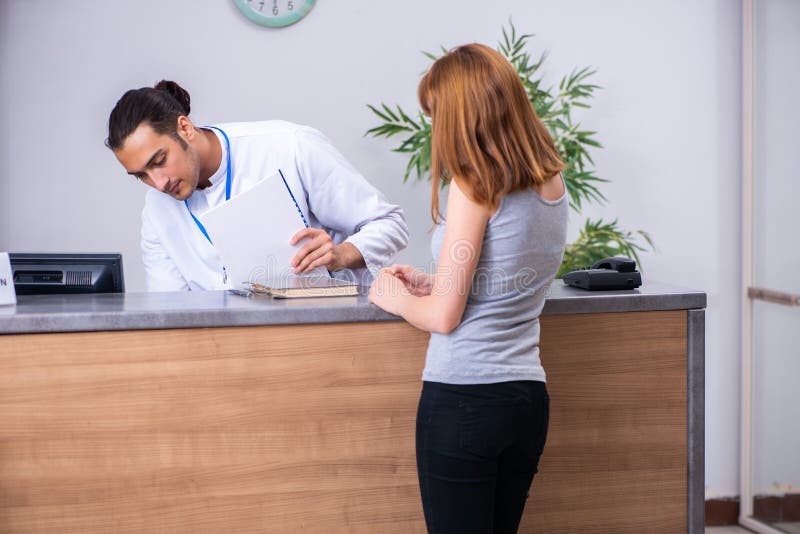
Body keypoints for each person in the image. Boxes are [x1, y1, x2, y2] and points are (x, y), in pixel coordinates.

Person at [368, 43, 568, 533]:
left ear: (462, 114)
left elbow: (443, 318)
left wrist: (395, 297)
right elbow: (507, 280)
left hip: (464, 400)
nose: (435, 127)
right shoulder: (551, 184)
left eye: (438, 114)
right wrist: (434, 281)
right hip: (526, 400)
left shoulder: (475, 183)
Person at [106, 80, 408, 291]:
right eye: (141, 175)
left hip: (328, 335)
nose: (158, 183)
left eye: (159, 160)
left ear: (184, 128)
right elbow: (171, 311)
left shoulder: (289, 146)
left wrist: (342, 255)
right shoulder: (156, 210)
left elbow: (390, 223)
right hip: (232, 350)